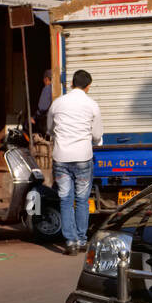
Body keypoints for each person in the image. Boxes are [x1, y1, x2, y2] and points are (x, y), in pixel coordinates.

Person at [47, 69, 103, 254]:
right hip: (82, 159)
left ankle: (70, 242)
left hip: (61, 157)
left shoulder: (57, 103)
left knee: (65, 199)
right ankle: (81, 240)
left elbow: (49, 129)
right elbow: (97, 135)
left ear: (71, 84)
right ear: (88, 87)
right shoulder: (92, 105)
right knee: (82, 200)